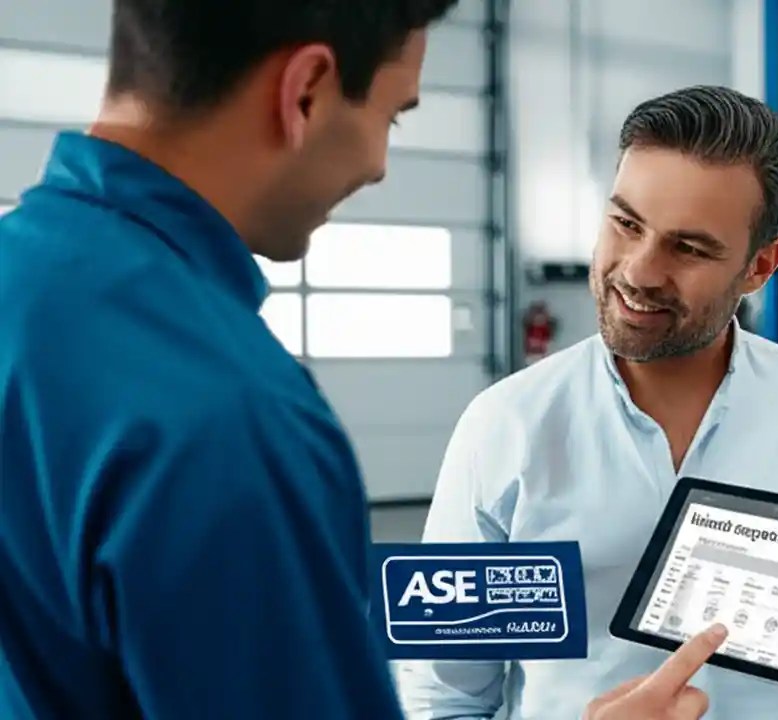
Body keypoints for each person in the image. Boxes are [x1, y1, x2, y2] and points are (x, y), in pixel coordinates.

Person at [0, 2, 720, 719]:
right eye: (392, 115)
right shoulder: (231, 417)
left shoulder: (23, 281)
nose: (377, 165)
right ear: (305, 89)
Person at [397, 85, 778, 719]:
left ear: (760, 266)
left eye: (688, 249)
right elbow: (442, 698)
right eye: (626, 224)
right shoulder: (507, 428)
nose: (638, 271)